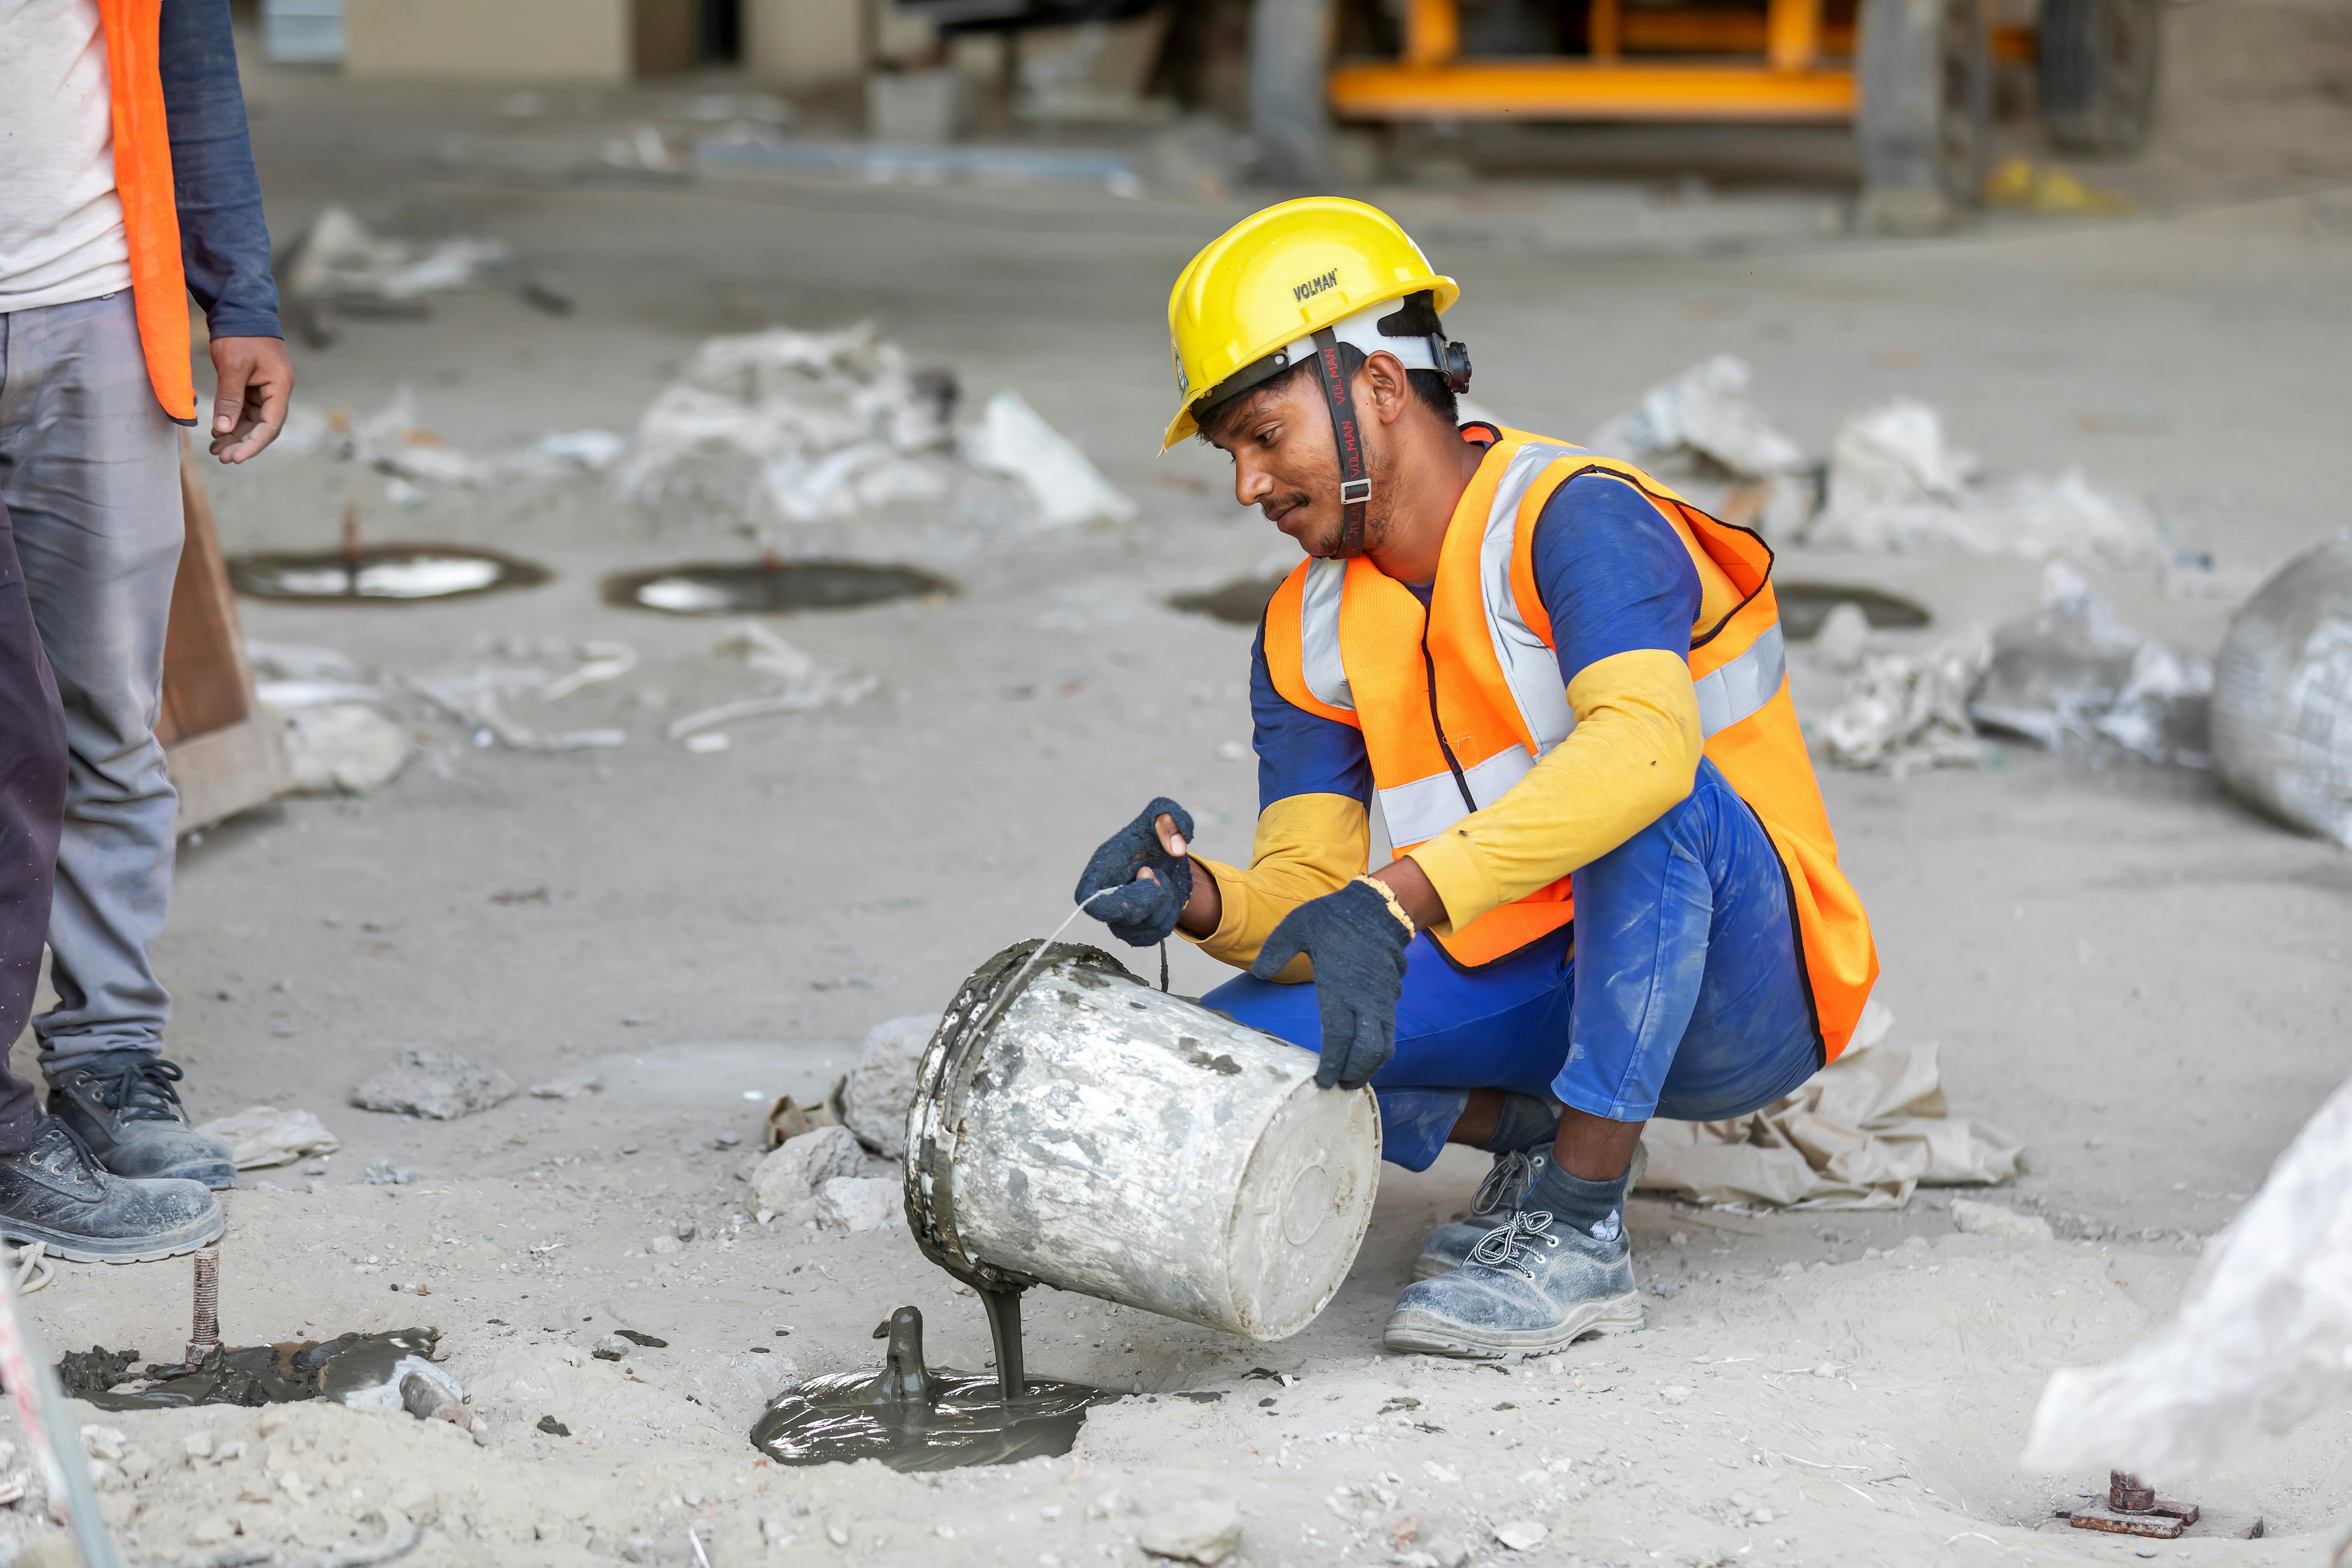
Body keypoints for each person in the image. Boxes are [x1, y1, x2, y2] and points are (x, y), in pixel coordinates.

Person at [1072, 198, 1876, 1358]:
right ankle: (1547, 1128)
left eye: (1264, 434)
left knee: (1653, 791)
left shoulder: (1578, 519)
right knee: (1235, 1056)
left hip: (1745, 985)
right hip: (1536, 963)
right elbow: (1311, 898)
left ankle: (1579, 1224)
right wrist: (1196, 898)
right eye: (1232, 454)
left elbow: (1649, 756)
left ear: (1379, 392)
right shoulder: (1307, 624)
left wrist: (1395, 900)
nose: (1248, 484)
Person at [0, 0, 292, 1242]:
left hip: (94, 299)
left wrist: (242, 299)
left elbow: (190, 68)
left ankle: (109, 1055)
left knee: (107, 708)